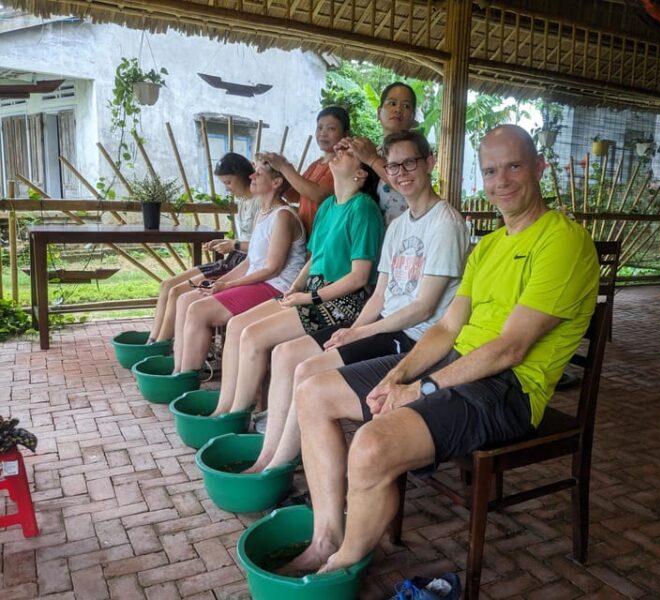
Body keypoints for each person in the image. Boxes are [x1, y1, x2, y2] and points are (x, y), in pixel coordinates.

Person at [288, 124, 600, 574]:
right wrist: (400, 375)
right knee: (313, 392)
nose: (502, 181)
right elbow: (447, 327)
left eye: (514, 166)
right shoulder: (489, 246)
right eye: (491, 171)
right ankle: (326, 537)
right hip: (458, 365)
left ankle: (343, 567)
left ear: (539, 167)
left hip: (511, 389)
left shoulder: (562, 241)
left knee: (373, 446)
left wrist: (423, 389)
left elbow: (511, 349)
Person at [243, 130, 469, 473]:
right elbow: (380, 295)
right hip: (387, 330)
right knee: (298, 363)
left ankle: (275, 467)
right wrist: (354, 331)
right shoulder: (398, 226)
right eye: (393, 167)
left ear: (430, 163)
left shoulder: (446, 223)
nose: (401, 173)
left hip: (417, 341)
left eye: (410, 162)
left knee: (308, 374)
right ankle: (269, 458)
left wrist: (362, 332)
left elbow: (423, 307)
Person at [210, 143, 385, 417]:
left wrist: (309, 297)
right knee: (239, 326)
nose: (338, 154)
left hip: (343, 301)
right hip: (313, 292)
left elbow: (359, 277)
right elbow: (315, 258)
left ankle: (235, 416)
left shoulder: (363, 209)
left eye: (348, 155)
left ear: (361, 175)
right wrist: (294, 289)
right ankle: (227, 406)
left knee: (255, 336)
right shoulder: (328, 206)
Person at [171, 155, 306, 373]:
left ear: (276, 182)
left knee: (198, 310)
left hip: (277, 286)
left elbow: (272, 268)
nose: (251, 175)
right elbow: (251, 262)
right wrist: (219, 283)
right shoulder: (263, 212)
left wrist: (229, 286)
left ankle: (185, 380)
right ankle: (178, 371)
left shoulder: (283, 216)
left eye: (259, 173)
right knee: (189, 298)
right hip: (261, 281)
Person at [149, 153, 258, 343]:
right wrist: (226, 244)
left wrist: (234, 244)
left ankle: (160, 345)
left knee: (176, 292)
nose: (227, 188)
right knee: (167, 285)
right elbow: (246, 238)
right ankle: (152, 340)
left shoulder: (260, 203)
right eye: (224, 183)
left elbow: (263, 247)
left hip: (241, 265)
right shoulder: (243, 201)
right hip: (232, 259)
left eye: (229, 183)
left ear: (244, 176)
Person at [339, 82, 418, 224]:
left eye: (406, 106)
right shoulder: (374, 150)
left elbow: (406, 184)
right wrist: (345, 159)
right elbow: (355, 185)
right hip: (371, 236)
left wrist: (372, 159)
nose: (398, 109)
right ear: (379, 112)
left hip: (402, 238)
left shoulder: (417, 151)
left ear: (412, 119)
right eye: (392, 103)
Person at [261, 106, 348, 235]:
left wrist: (284, 167)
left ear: (345, 134)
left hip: (323, 236)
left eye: (331, 128)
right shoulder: (315, 164)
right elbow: (295, 196)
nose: (323, 133)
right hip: (306, 234)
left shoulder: (342, 164)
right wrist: (275, 176)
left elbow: (318, 195)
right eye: (319, 127)